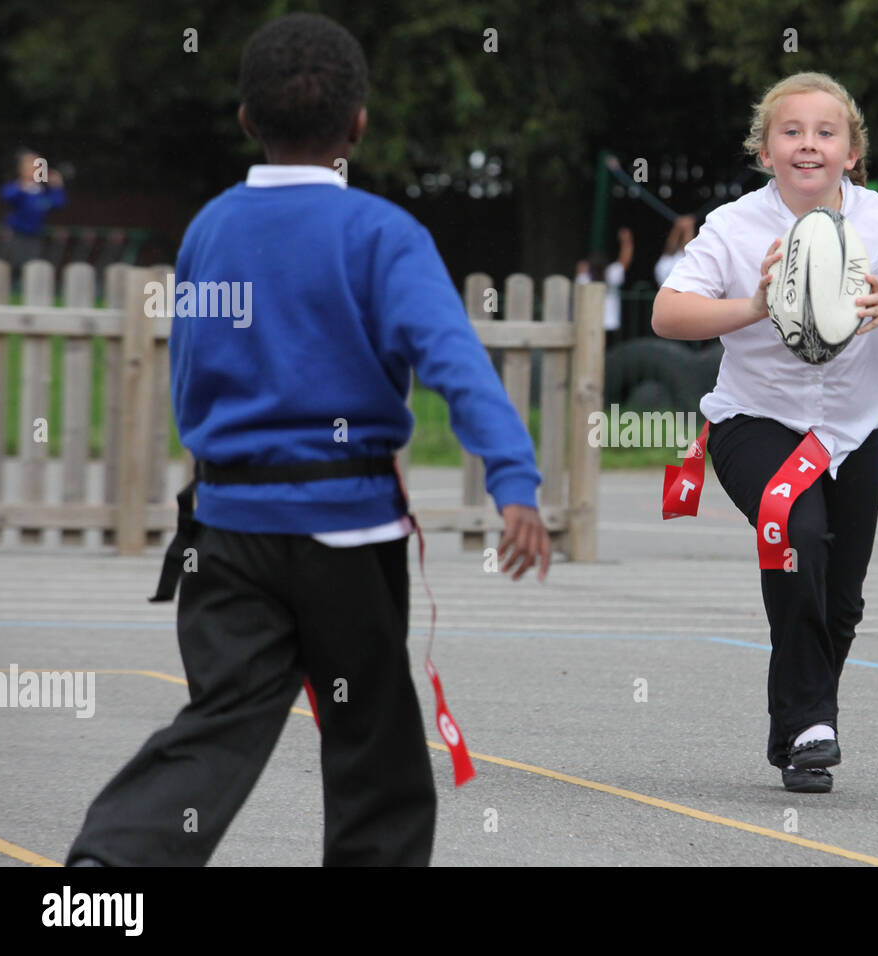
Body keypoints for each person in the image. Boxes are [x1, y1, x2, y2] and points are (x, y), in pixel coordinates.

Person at [65, 12, 550, 867]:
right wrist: (512, 478)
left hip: (225, 529)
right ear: (358, 122)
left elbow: (192, 375)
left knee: (219, 722)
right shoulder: (381, 234)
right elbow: (454, 364)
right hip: (344, 535)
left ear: (248, 119)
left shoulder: (210, 228)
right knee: (373, 742)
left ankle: (114, 865)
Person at [653, 72, 878, 794]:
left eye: (825, 132)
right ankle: (813, 722)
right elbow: (668, 314)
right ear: (765, 149)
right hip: (754, 422)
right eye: (791, 132)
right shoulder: (734, 226)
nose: (809, 144)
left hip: (850, 432)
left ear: (851, 151)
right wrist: (751, 305)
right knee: (796, 531)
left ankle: (799, 729)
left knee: (841, 599)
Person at [0, 148, 67, 279]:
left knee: (31, 265)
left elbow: (58, 204)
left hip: (34, 234)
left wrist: (57, 187)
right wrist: (22, 186)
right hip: (15, 233)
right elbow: (5, 197)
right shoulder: (17, 187)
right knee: (11, 265)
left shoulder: (41, 191)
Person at [576, 226, 632, 345]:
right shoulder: (612, 274)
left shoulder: (583, 278)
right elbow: (625, 259)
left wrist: (581, 269)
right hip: (610, 323)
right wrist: (626, 241)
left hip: (590, 322)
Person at [654, 214, 696, 285]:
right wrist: (687, 227)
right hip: (678, 290)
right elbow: (686, 249)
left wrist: (678, 227)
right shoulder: (680, 262)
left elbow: (670, 251)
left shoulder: (668, 262)